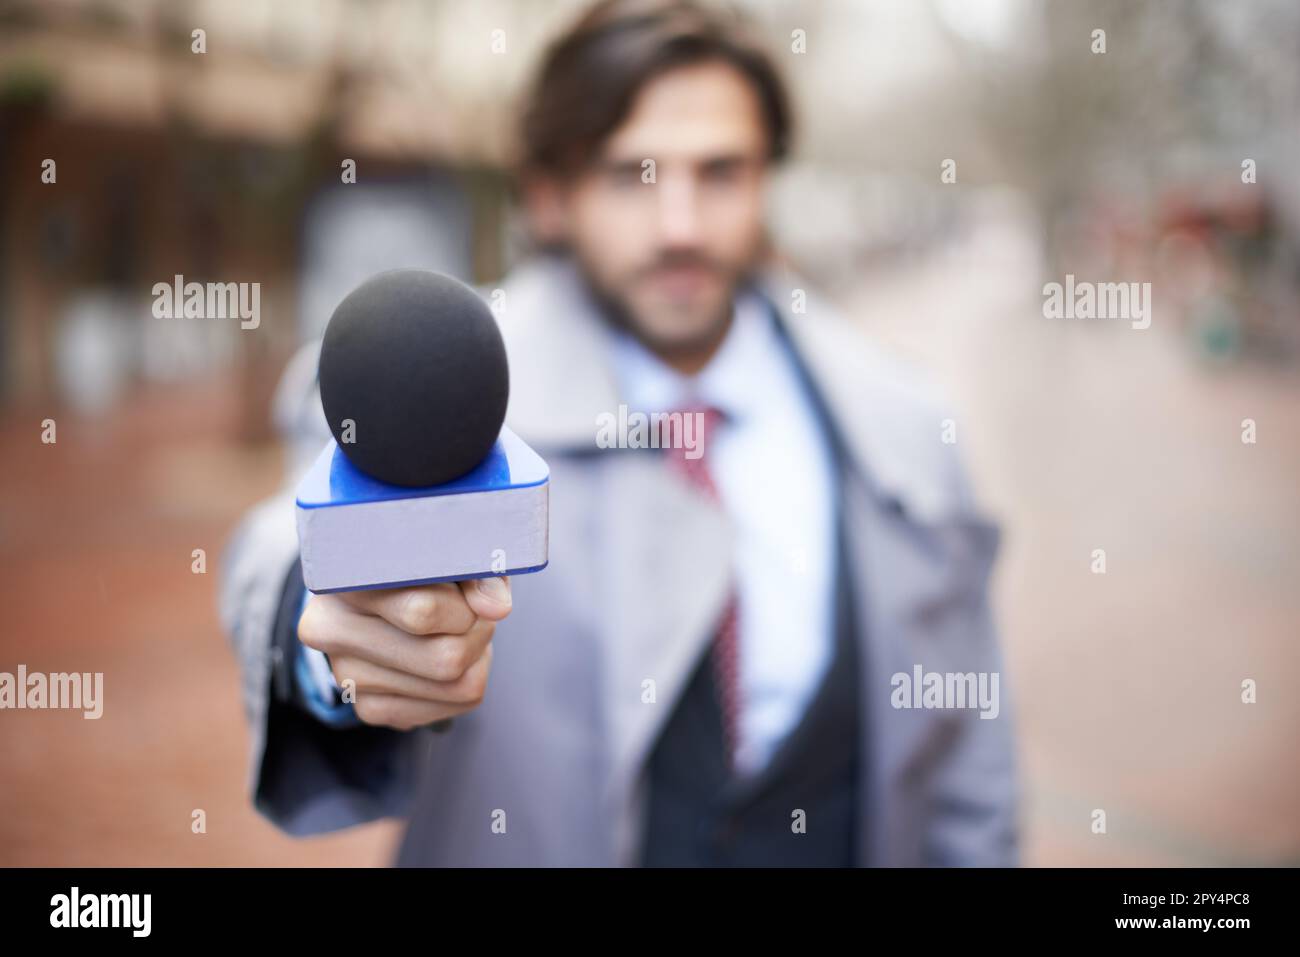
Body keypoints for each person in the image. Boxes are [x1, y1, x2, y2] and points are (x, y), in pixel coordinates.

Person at [219, 0, 1018, 866]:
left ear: (765, 180)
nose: (680, 225)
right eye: (633, 173)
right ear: (551, 196)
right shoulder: (443, 392)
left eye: (719, 172)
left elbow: (970, 774)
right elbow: (285, 546)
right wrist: (333, 635)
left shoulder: (898, 419)